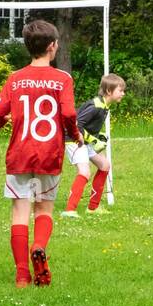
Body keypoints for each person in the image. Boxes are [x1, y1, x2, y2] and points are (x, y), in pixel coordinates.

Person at [0, 20, 78, 287]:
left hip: (20, 155)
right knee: (44, 208)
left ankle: (21, 275)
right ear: (52, 47)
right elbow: (70, 113)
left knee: (19, 211)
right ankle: (38, 246)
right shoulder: (63, 79)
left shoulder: (15, 79)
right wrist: (75, 134)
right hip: (49, 154)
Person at [61, 73, 125, 218]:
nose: (123, 93)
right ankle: (69, 210)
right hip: (74, 140)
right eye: (120, 90)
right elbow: (77, 125)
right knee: (84, 172)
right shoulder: (95, 106)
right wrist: (93, 140)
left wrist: (97, 137)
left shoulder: (104, 105)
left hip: (85, 140)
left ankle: (93, 207)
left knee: (104, 165)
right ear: (109, 91)